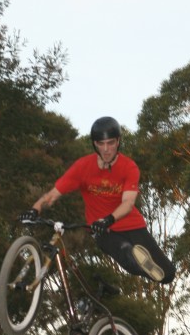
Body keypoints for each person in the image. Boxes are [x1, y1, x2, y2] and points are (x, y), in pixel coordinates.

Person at [22, 116, 175, 285]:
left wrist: (108, 219)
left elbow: (128, 202)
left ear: (118, 142)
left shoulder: (128, 167)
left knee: (168, 275)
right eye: (101, 144)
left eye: (110, 143)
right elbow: (52, 195)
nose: (106, 149)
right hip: (102, 231)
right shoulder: (83, 167)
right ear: (94, 144)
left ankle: (144, 262)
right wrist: (34, 209)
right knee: (127, 254)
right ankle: (137, 261)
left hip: (132, 226)